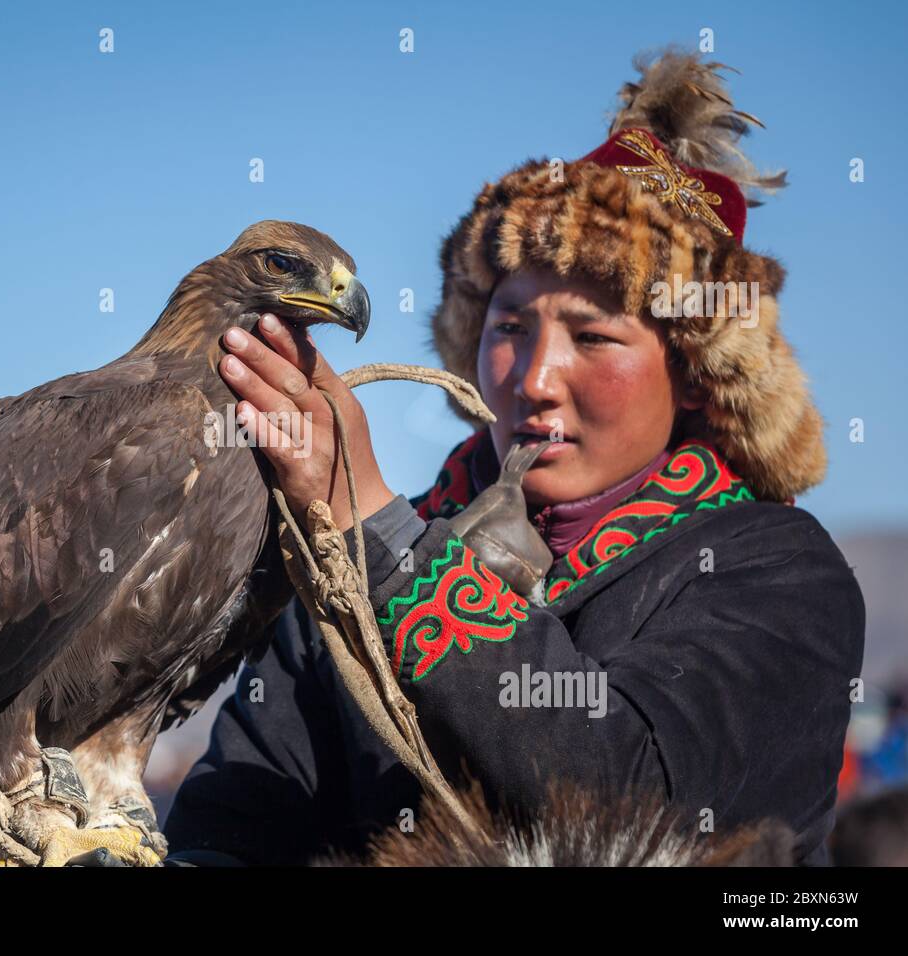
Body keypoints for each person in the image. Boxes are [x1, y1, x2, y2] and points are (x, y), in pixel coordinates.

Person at [159, 48, 865, 866]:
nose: (532, 380)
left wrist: (382, 542)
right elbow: (233, 825)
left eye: (594, 335)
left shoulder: (780, 572)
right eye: (508, 328)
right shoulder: (345, 559)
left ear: (698, 377)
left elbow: (630, 804)